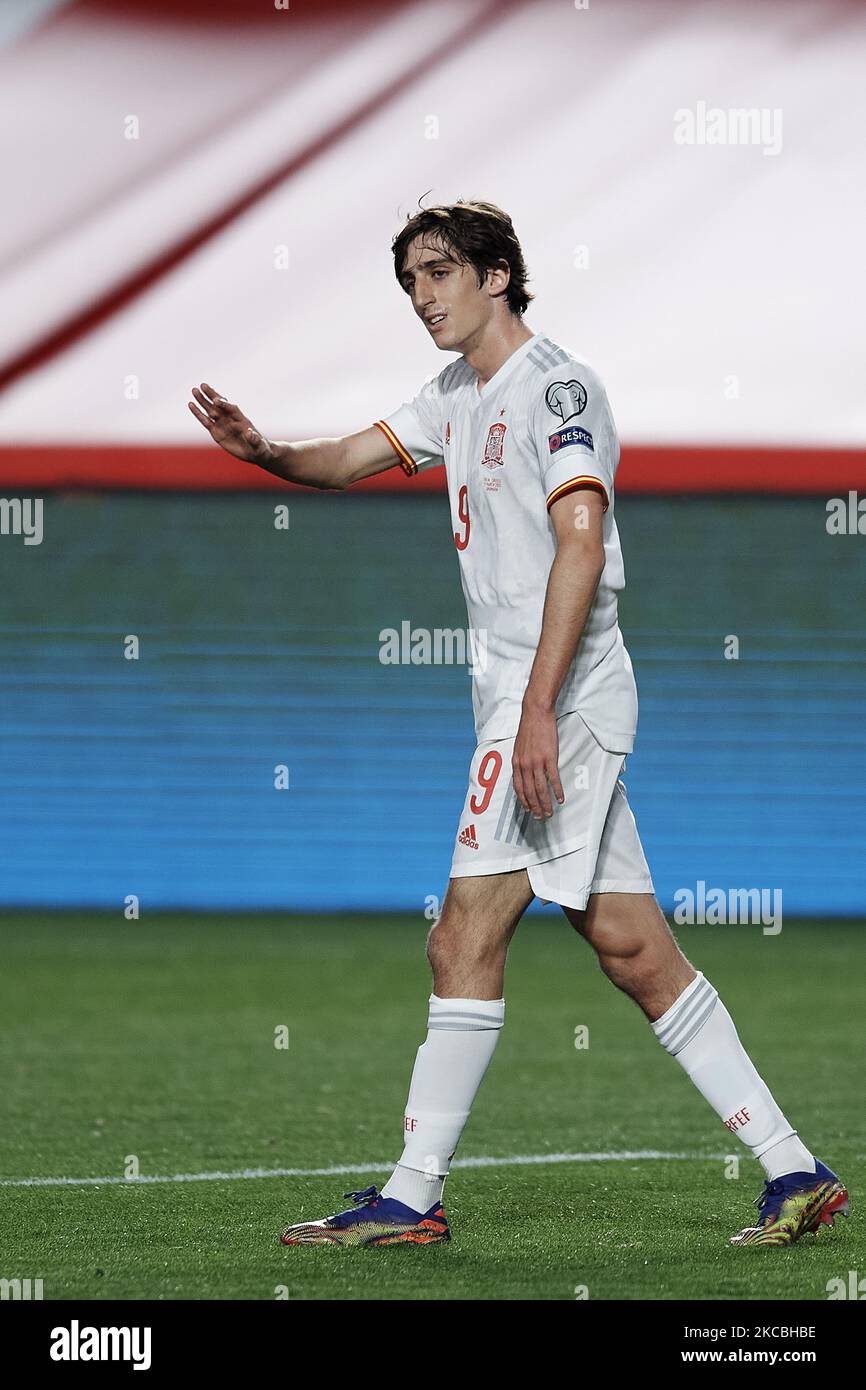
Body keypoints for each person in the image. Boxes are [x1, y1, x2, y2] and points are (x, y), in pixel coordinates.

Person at [188, 199, 848, 1250]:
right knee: (631, 947)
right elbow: (347, 457)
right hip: (531, 706)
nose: (423, 297)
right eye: (410, 281)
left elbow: (578, 546)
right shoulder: (456, 394)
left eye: (439, 272)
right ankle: (792, 1171)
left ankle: (411, 1193)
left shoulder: (558, 388)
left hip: (558, 704)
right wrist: (263, 450)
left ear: (497, 275)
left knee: (460, 934)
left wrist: (536, 712)